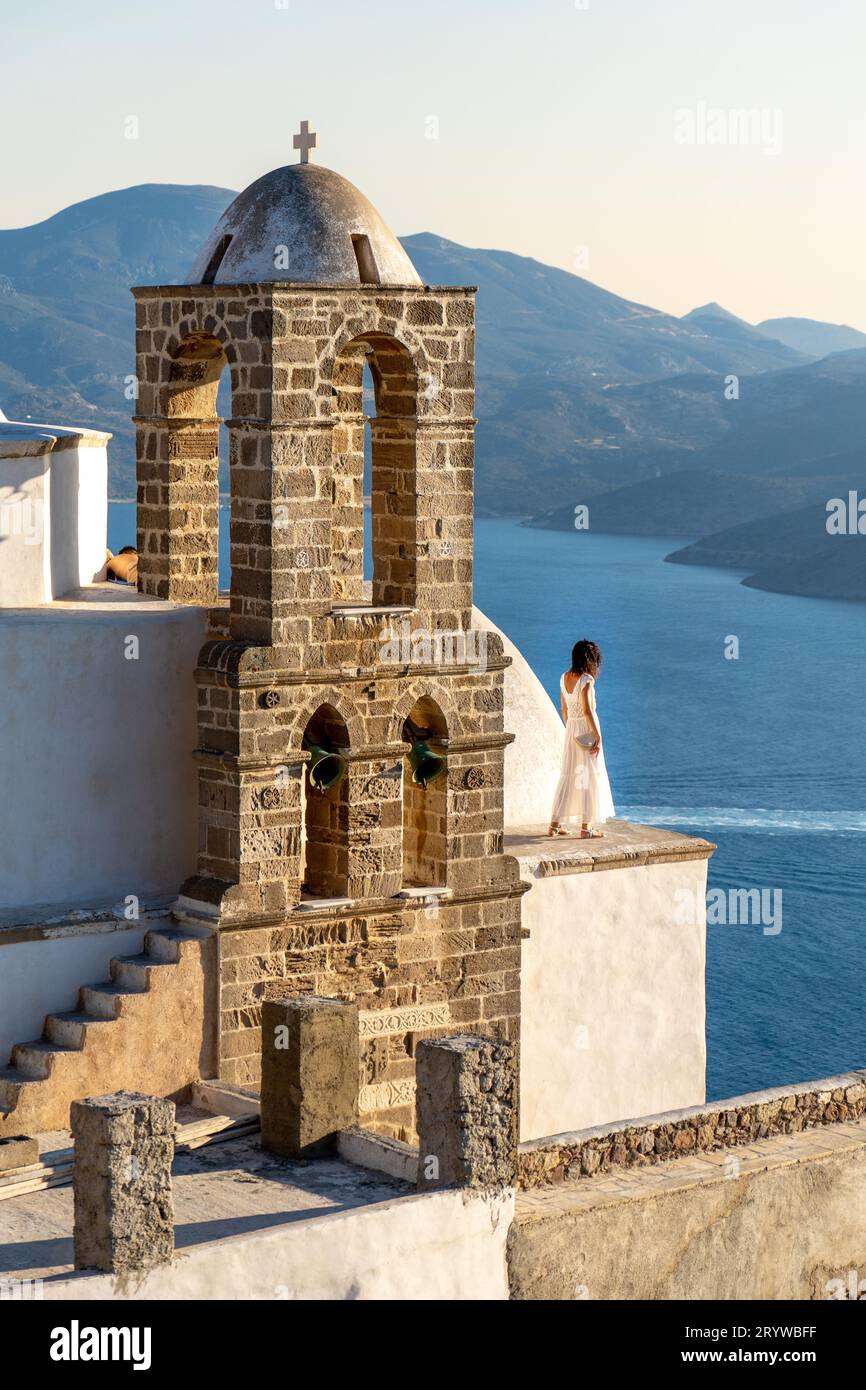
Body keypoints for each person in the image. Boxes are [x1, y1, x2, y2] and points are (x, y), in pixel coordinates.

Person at [548, 639, 615, 838]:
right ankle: (586, 828)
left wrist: (571, 728)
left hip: (571, 729)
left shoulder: (563, 678)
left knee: (568, 775)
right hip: (586, 729)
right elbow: (587, 710)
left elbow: (564, 709)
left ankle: (553, 825)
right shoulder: (586, 680)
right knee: (588, 777)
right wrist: (597, 736)